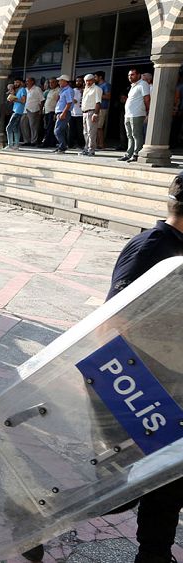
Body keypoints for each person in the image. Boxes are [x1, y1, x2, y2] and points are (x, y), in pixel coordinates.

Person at [102, 175, 183, 563]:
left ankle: (154, 555)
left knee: (169, 482)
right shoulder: (151, 247)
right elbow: (115, 321)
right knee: (125, 490)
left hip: (174, 382)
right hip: (142, 385)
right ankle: (32, 518)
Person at [121, 69, 151, 163]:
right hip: (128, 114)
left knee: (136, 135)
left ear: (138, 75)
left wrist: (147, 111)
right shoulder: (133, 86)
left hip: (137, 114)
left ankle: (136, 154)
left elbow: (146, 99)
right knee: (129, 135)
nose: (130, 77)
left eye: (132, 75)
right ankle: (129, 154)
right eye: (129, 75)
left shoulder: (143, 84)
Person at [80, 74, 103, 157]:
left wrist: (96, 114)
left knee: (91, 132)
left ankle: (91, 149)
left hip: (92, 112)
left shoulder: (97, 89)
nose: (88, 82)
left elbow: (98, 102)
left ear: (93, 80)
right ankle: (86, 148)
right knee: (85, 132)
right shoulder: (86, 89)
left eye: (89, 80)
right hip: (85, 112)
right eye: (86, 81)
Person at [54, 75, 74, 154]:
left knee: (57, 131)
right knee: (60, 131)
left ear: (65, 81)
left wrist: (63, 113)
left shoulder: (68, 90)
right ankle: (61, 146)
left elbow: (69, 103)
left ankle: (62, 147)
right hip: (60, 112)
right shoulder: (63, 90)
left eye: (60, 81)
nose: (59, 82)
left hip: (64, 112)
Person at [7, 78, 26, 149]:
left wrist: (14, 99)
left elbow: (23, 101)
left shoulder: (23, 90)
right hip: (16, 110)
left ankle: (10, 145)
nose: (15, 84)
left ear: (21, 83)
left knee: (9, 128)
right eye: (15, 82)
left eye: (17, 82)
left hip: (18, 111)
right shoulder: (18, 91)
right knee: (15, 128)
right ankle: (16, 144)